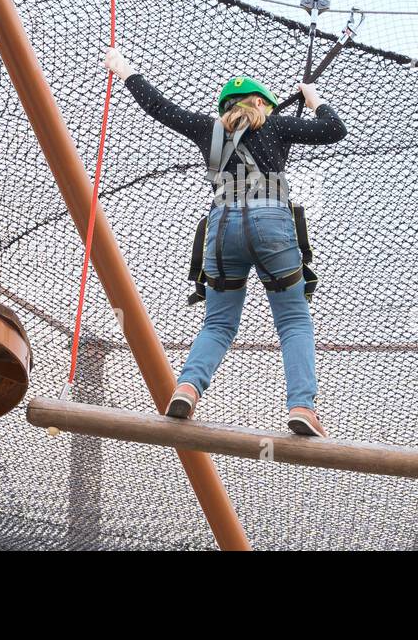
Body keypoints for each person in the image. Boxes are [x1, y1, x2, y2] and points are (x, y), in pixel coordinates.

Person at [104, 47, 348, 436]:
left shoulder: (207, 128)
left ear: (224, 109)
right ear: (261, 104)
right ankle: (302, 406)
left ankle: (187, 388)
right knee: (293, 321)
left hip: (222, 228)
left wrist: (124, 70)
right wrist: (315, 100)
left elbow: (159, 107)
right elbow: (334, 130)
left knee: (218, 323)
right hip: (270, 221)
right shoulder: (278, 126)